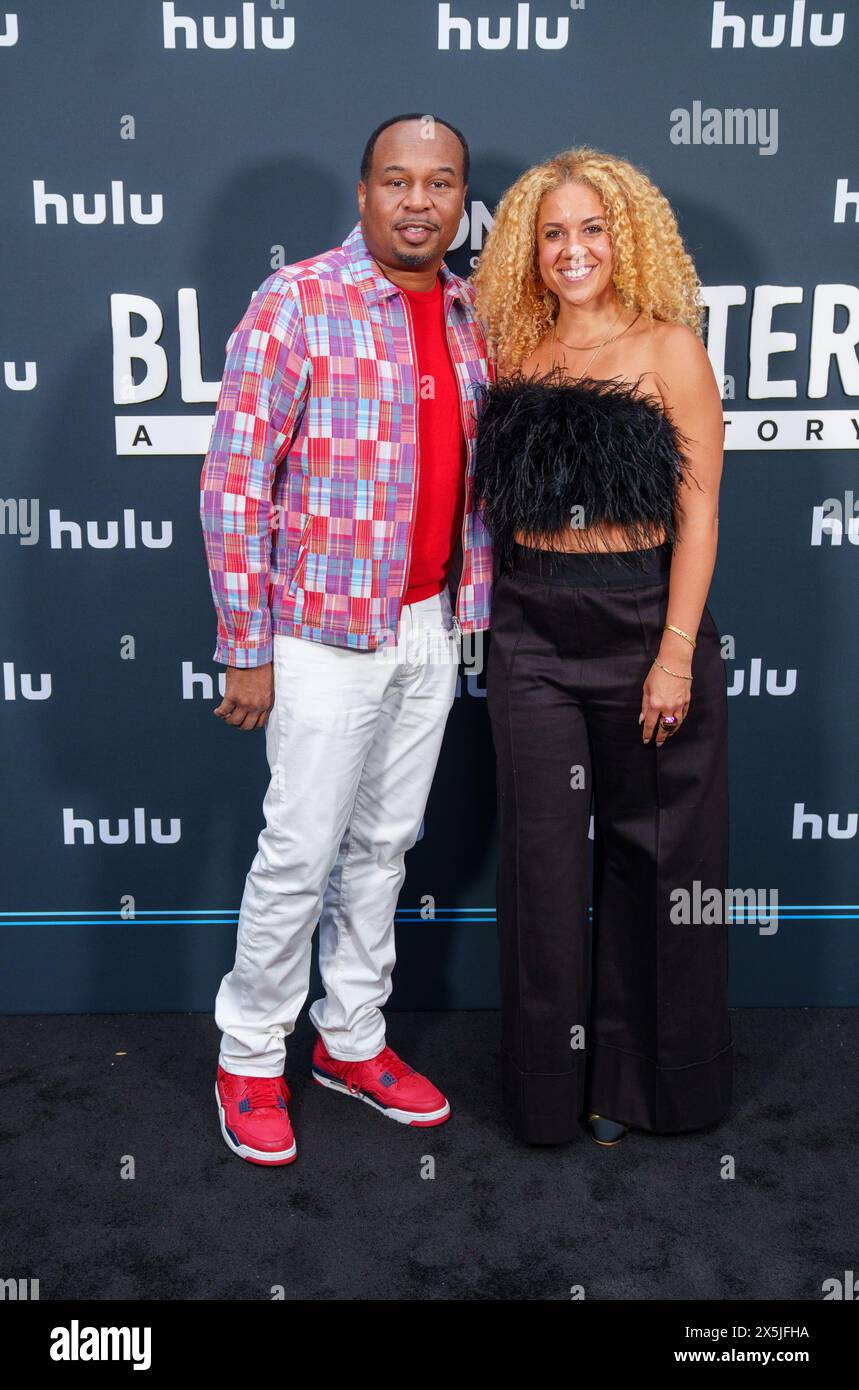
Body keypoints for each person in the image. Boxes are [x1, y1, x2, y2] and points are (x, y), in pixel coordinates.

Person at [199, 113, 493, 1165]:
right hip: (318, 630)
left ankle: (351, 1039)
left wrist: (475, 613)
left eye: (440, 182)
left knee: (382, 849)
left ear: (461, 199)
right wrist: (246, 641)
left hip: (427, 623)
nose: (419, 201)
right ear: (363, 192)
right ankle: (247, 1055)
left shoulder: (468, 310)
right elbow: (234, 481)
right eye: (397, 180)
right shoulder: (297, 302)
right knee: (300, 851)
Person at [471, 146, 732, 1147]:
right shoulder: (512, 352)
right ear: (527, 251)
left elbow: (700, 515)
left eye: (592, 229)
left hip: (643, 620)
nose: (571, 249)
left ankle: (650, 1086)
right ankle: (547, 1094)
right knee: (541, 869)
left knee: (659, 862)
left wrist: (672, 653)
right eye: (552, 233)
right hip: (532, 626)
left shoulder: (671, 348)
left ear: (628, 241)